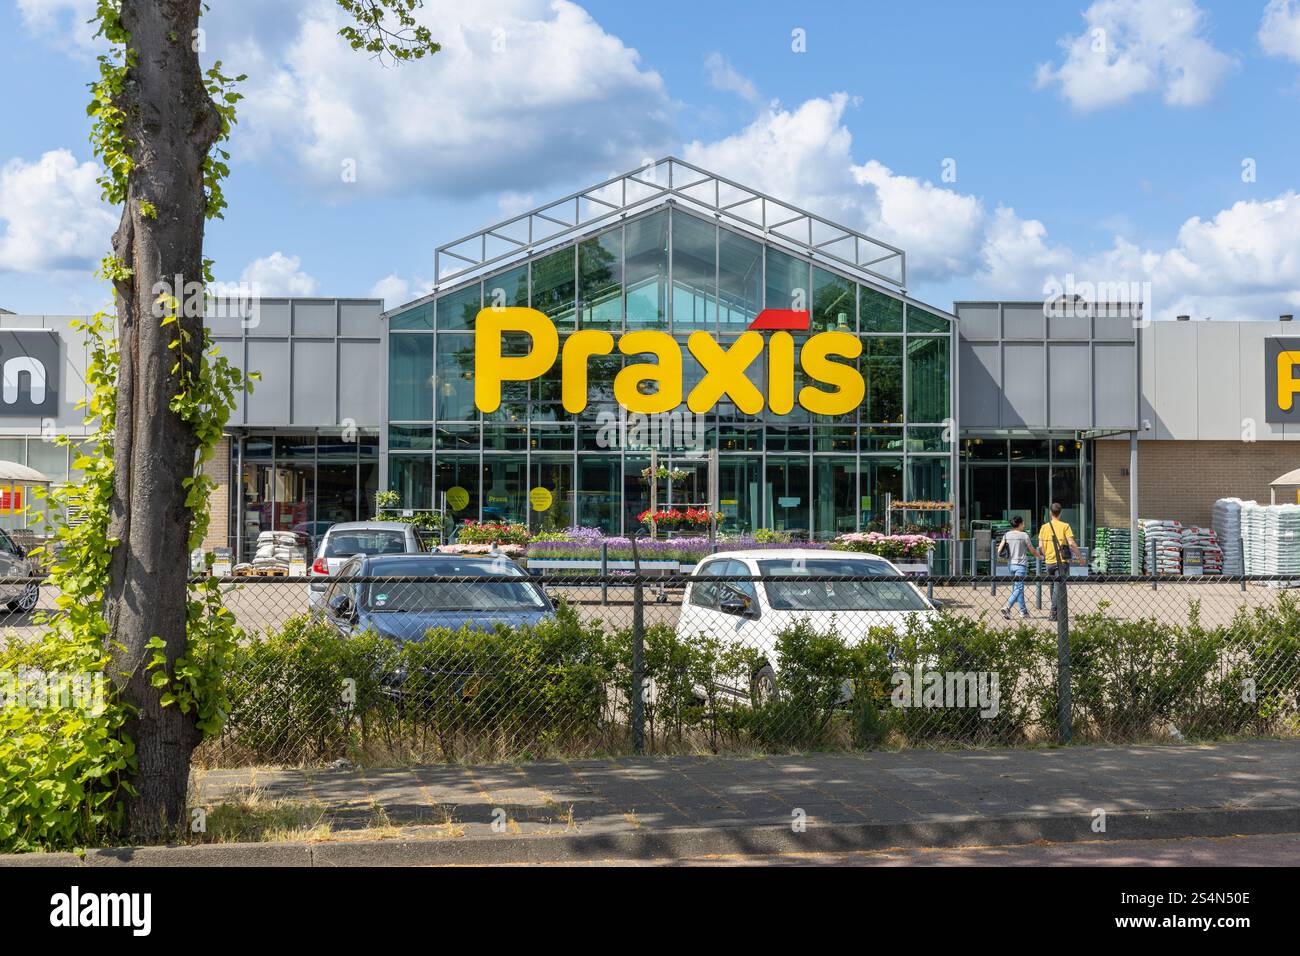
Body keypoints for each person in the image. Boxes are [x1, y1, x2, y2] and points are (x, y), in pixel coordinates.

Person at [1038, 502, 1082, 621]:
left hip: (1049, 562)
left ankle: (1056, 611)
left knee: (1053, 586)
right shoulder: (1065, 526)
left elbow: (1040, 546)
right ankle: (1054, 612)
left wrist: (1047, 555)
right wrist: (1080, 557)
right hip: (1061, 562)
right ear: (1060, 513)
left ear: (1050, 513)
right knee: (1058, 586)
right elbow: (1071, 543)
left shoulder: (1044, 527)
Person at [999, 516, 1041, 619]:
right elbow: (1031, 549)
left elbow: (999, 550)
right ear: (1020, 524)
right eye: (1023, 523)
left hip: (1010, 565)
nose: (1024, 525)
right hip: (1021, 565)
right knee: (1019, 587)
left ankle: (1023, 611)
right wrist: (1040, 556)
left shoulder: (1006, 535)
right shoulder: (1024, 535)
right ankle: (1007, 607)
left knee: (1017, 588)